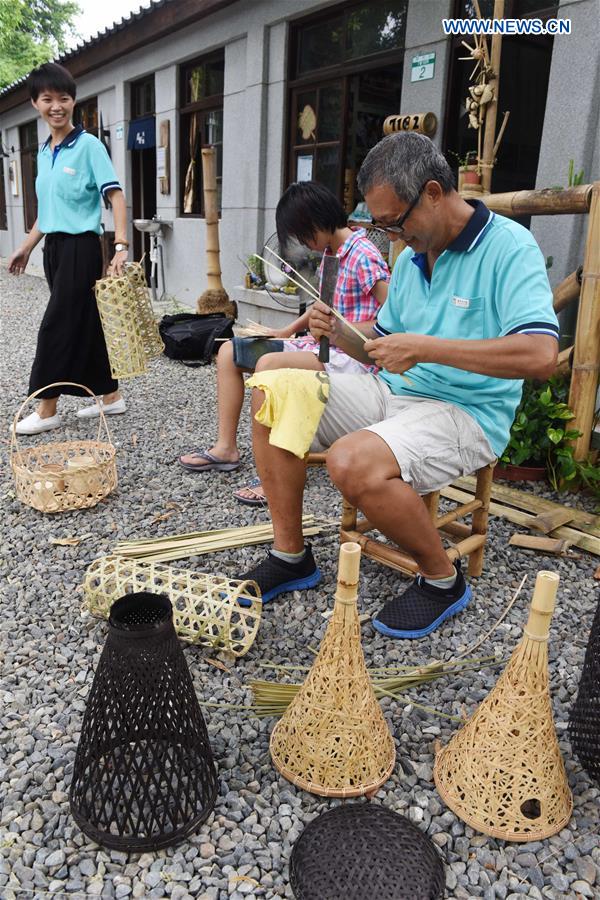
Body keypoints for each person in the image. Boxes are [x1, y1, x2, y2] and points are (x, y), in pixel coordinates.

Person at [238, 132, 559, 631]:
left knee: (350, 462)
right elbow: (382, 342)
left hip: (466, 411)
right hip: (395, 394)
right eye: (381, 226)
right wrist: (339, 331)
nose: (390, 237)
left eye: (393, 223)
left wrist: (426, 347)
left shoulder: (509, 247)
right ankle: (291, 555)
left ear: (433, 193)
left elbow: (540, 356)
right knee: (271, 378)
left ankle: (441, 578)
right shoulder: (411, 257)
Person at [178, 180, 389, 505]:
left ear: (317, 219)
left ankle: (275, 475)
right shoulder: (332, 253)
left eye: (303, 233)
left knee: (268, 368)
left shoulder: (363, 254)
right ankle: (226, 448)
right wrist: (285, 332)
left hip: (351, 360)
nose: (303, 242)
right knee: (228, 351)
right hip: (321, 348)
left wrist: (340, 331)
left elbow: (393, 318)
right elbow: (323, 308)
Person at [8, 63, 129, 435]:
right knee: (87, 322)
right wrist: (26, 248)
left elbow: (115, 194)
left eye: (64, 98)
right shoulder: (44, 153)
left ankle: (46, 409)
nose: (56, 105)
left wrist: (121, 245)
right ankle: (111, 397)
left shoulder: (89, 145)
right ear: (35, 104)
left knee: (56, 324)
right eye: (47, 99)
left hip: (82, 248)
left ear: (73, 102)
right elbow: (47, 214)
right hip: (54, 250)